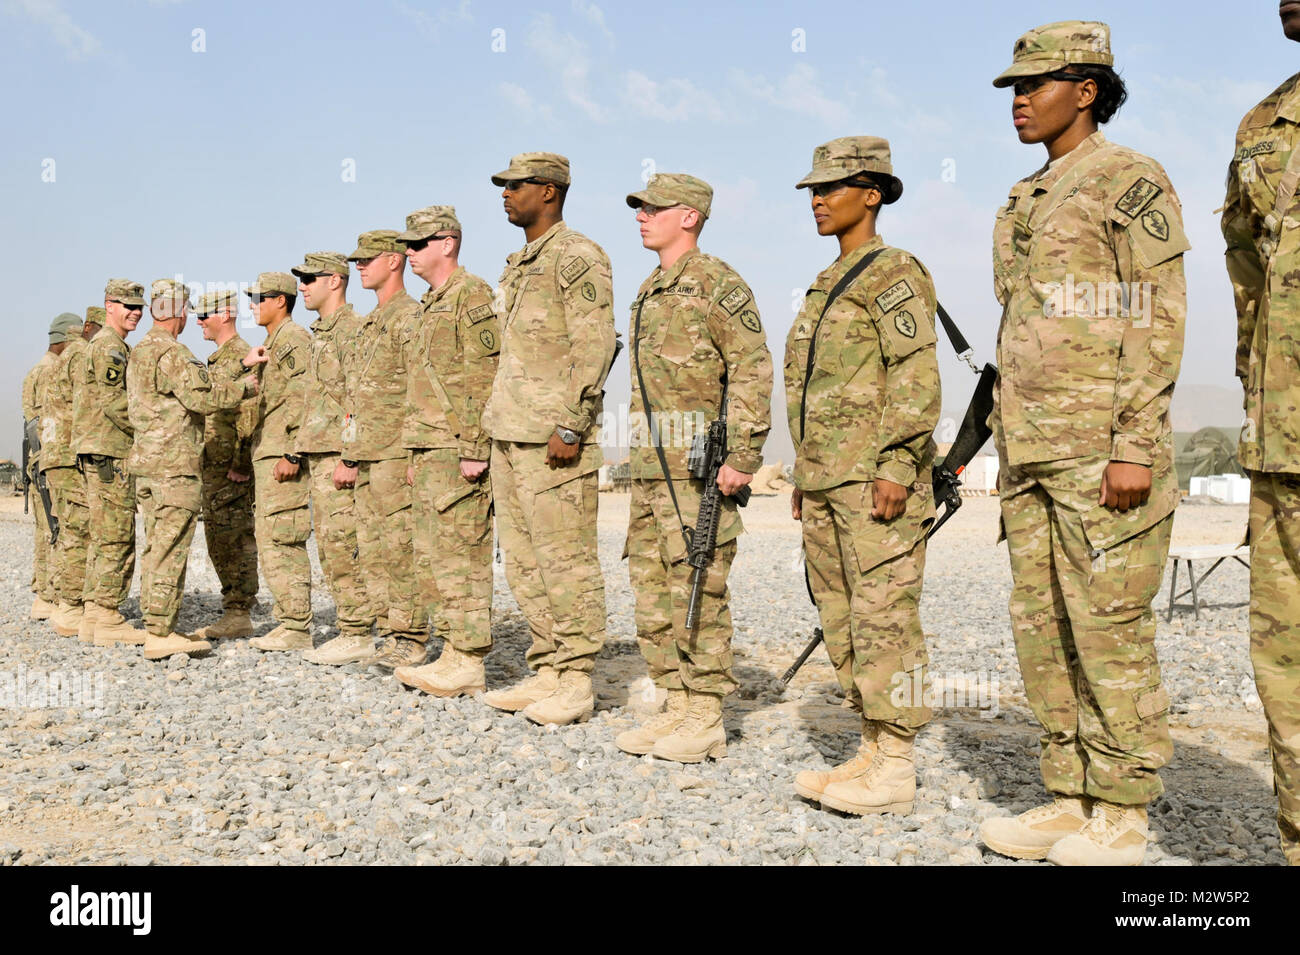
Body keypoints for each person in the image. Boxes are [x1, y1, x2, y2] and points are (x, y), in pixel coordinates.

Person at [976, 21, 1188, 866]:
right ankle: (1069, 795)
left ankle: (1124, 812)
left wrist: (1135, 439)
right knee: (1045, 627)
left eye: (1036, 84)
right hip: (1033, 451)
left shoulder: (1128, 180)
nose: (1020, 100)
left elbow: (1158, 310)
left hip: (1103, 450)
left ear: (1087, 89)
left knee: (1109, 630)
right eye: (1015, 89)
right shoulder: (1023, 197)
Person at [784, 138, 940, 813]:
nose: (818, 200)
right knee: (843, 616)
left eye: (833, 187)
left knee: (884, 618)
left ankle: (897, 761)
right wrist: (804, 471)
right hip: (827, 478)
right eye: (813, 190)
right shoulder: (825, 281)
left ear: (872, 193)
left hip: (873, 478)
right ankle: (872, 746)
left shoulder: (892, 270)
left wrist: (899, 464)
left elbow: (914, 373)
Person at [615, 173, 771, 762]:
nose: (641, 215)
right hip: (650, 468)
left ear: (689, 216)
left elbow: (752, 367)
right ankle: (675, 701)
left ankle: (705, 714)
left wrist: (744, 456)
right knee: (651, 591)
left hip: (697, 471)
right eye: (639, 208)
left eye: (653, 208)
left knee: (699, 586)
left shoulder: (717, 284)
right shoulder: (650, 286)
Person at [480, 152, 618, 726]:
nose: (506, 195)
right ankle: (548, 668)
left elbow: (595, 344)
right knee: (525, 561)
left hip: (552, 437)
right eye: (504, 186)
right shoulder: (519, 262)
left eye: (516, 186)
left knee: (566, 562)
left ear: (550, 191)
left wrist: (572, 423)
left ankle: (577, 678)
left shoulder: (577, 256)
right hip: (510, 431)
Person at [1219, 0, 1300, 866]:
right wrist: (1255, 382)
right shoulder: (1263, 121)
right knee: (1285, 662)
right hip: (1282, 436)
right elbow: (1246, 261)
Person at [392, 206, 501, 696]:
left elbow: (484, 372)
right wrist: (414, 454)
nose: (408, 254)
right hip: (428, 448)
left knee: (462, 555)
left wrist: (476, 446)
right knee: (434, 557)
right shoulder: (430, 303)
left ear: (447, 243)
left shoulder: (470, 294)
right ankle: (451, 650)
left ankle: (468, 659)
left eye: (417, 245)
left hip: (458, 448)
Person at [126, 280, 259, 659]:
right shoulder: (173, 353)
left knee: (157, 546)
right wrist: (246, 386)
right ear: (180, 312)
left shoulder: (140, 351)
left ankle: (157, 624)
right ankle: (160, 631)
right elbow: (203, 398)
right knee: (170, 549)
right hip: (174, 468)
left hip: (149, 467)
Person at [335, 231, 426, 673]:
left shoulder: (409, 316)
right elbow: (356, 394)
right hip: (368, 454)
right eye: (356, 261)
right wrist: (349, 453)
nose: (360, 267)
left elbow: (419, 386)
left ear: (394, 261)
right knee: (371, 550)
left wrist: (413, 454)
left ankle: (411, 636)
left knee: (400, 548)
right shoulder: (372, 321)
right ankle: (389, 632)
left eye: (367, 259)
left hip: (394, 453)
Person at [289, 252, 375, 666]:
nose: (302, 286)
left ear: (335, 282)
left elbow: (359, 397)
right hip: (320, 454)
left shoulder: (351, 331)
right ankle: (353, 626)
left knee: (344, 545)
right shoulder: (321, 332)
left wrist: (351, 456)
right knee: (330, 544)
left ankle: (358, 630)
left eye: (309, 278)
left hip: (339, 456)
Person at [73, 279, 147, 646]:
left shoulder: (107, 345)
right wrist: (148, 430)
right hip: (112, 450)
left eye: (139, 307)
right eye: (127, 305)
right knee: (116, 534)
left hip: (100, 448)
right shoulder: (110, 348)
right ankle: (106, 614)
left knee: (102, 533)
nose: (134, 312)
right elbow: (116, 403)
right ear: (109, 306)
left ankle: (93, 614)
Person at [243, 272, 314, 651]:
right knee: (270, 537)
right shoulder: (271, 344)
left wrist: (293, 452)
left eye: (259, 297)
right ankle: (288, 619)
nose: (253, 304)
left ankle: (297, 625)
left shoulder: (294, 341)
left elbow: (306, 396)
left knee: (283, 538)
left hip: (282, 456)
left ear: (281, 301)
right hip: (267, 454)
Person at [192, 289, 260, 641]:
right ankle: (235, 607)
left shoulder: (240, 355)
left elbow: (248, 412)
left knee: (234, 538)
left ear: (225, 315)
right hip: (214, 467)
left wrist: (241, 463)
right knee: (219, 538)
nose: (198, 322)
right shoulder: (221, 359)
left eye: (204, 315)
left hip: (230, 468)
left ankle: (239, 611)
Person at [41, 312, 94, 636]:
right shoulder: (79, 355)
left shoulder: (60, 361)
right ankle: (70, 607)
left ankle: (65, 602)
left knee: (68, 528)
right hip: (67, 457)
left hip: (56, 457)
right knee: (79, 529)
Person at [22, 316, 71, 620]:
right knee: (55, 528)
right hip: (48, 458)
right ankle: (51, 594)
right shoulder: (49, 371)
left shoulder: (36, 370)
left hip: (38, 458)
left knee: (45, 529)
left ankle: (44, 595)